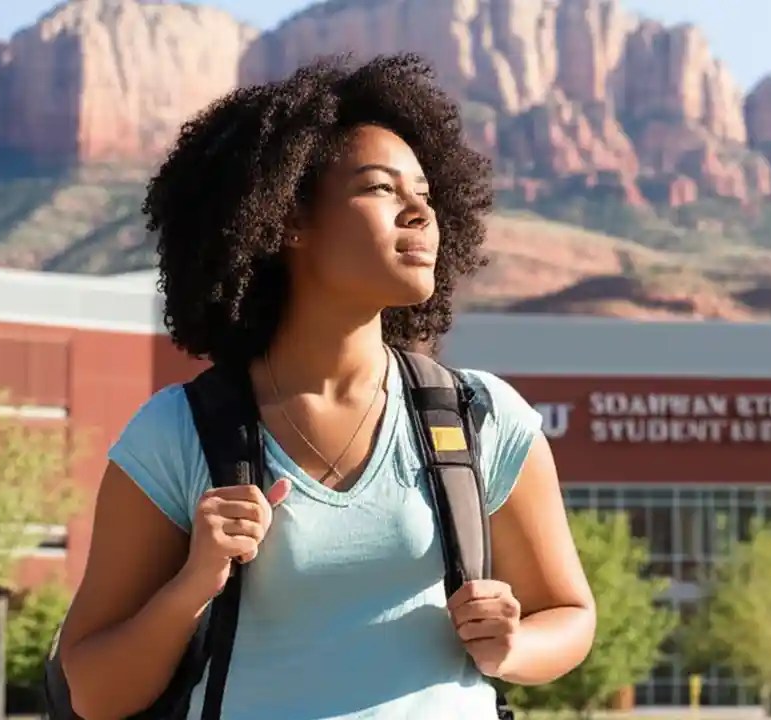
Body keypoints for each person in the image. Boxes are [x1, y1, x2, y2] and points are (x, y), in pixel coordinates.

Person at [56, 53, 596, 719]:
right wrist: (194, 583)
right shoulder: (179, 432)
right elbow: (94, 692)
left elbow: (569, 615)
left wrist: (511, 645)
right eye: (380, 189)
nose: (418, 213)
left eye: (425, 194)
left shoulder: (480, 415)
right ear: (286, 218)